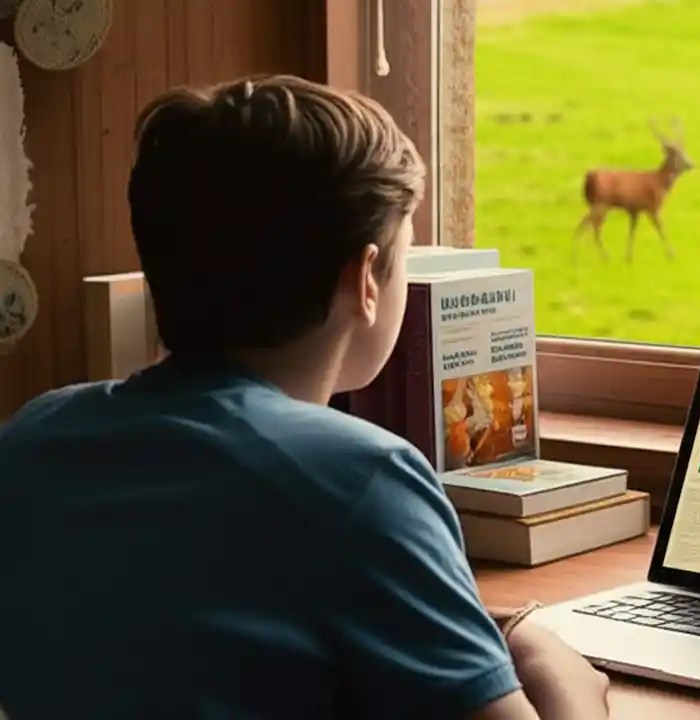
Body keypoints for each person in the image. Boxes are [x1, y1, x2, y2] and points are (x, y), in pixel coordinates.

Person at [0, 75, 609, 719]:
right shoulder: (362, 479)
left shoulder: (34, 438)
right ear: (365, 280)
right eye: (404, 256)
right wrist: (552, 663)